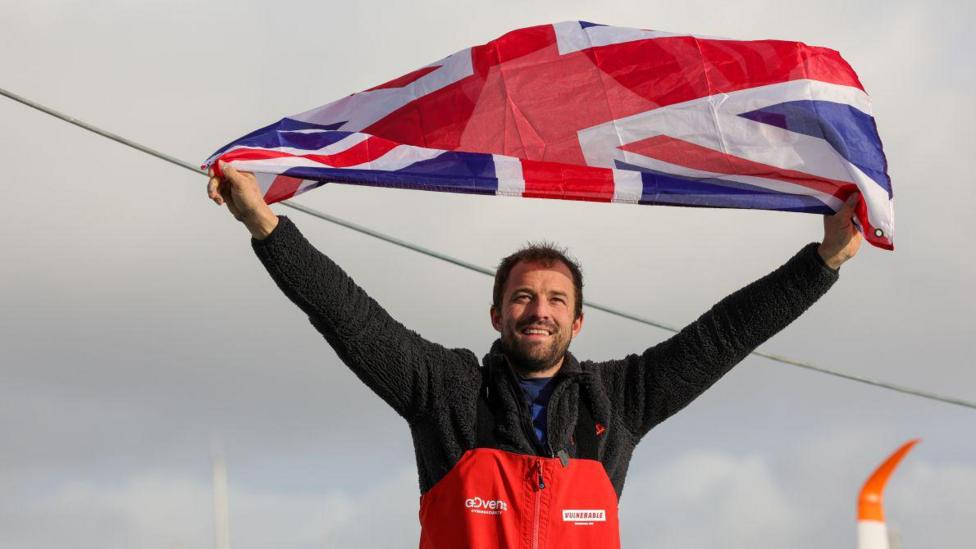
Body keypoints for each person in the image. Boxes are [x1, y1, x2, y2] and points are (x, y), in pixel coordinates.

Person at [208, 162, 861, 548]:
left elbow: (722, 335)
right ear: (497, 314)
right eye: (522, 296)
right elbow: (348, 316)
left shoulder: (620, 400)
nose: (538, 309)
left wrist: (822, 261)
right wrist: (262, 223)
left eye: (554, 298)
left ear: (577, 320)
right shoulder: (447, 390)